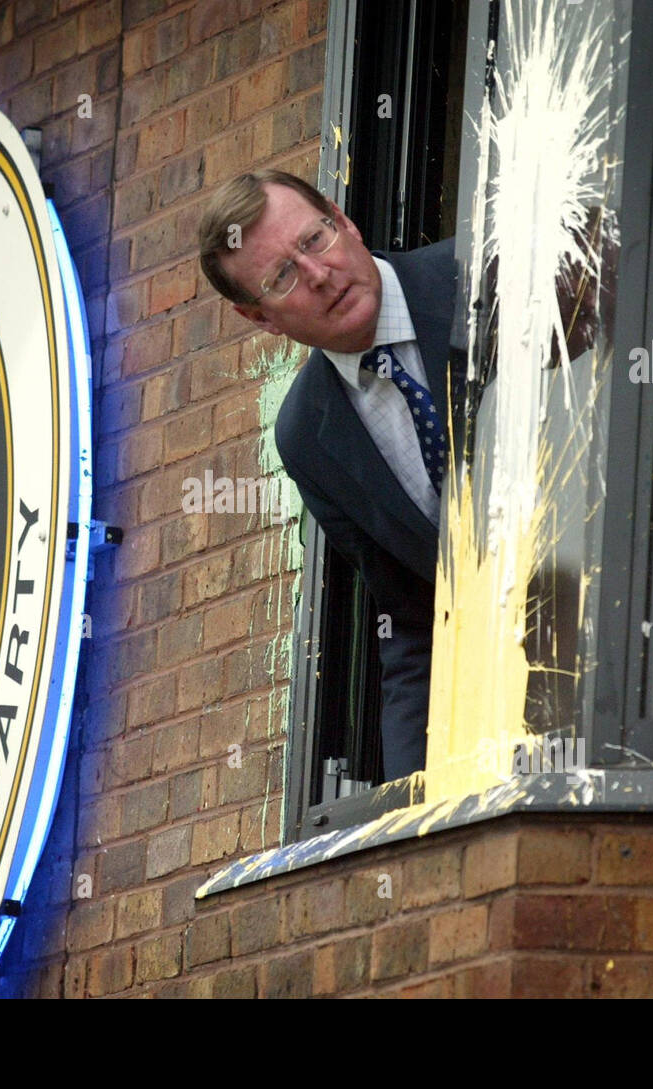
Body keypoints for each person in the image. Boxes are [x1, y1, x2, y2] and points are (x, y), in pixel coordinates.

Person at [198, 170, 462, 781]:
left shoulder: (480, 271)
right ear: (260, 318)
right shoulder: (306, 438)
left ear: (345, 221)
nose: (318, 275)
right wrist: (410, 816)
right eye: (282, 277)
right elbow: (415, 622)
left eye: (314, 240)